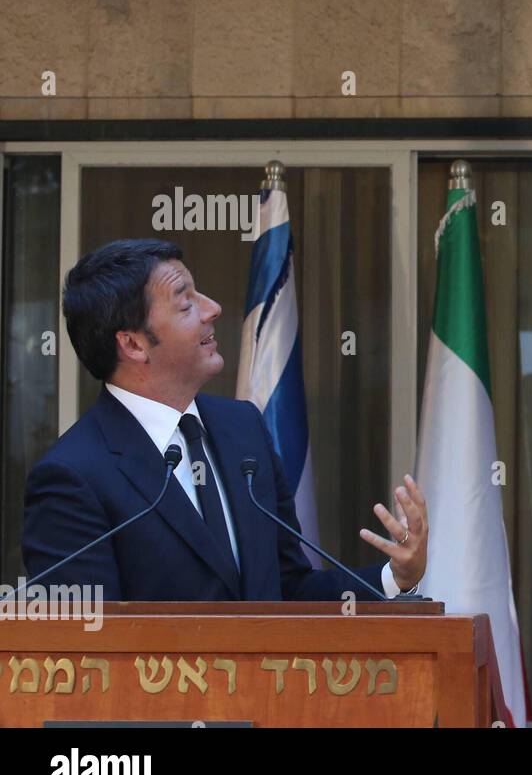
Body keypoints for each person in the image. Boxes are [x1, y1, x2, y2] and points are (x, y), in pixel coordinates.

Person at [21, 238, 428, 601]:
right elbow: (85, 653)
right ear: (132, 344)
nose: (213, 309)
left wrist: (394, 576)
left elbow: (288, 590)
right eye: (186, 303)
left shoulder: (242, 428)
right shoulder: (72, 477)